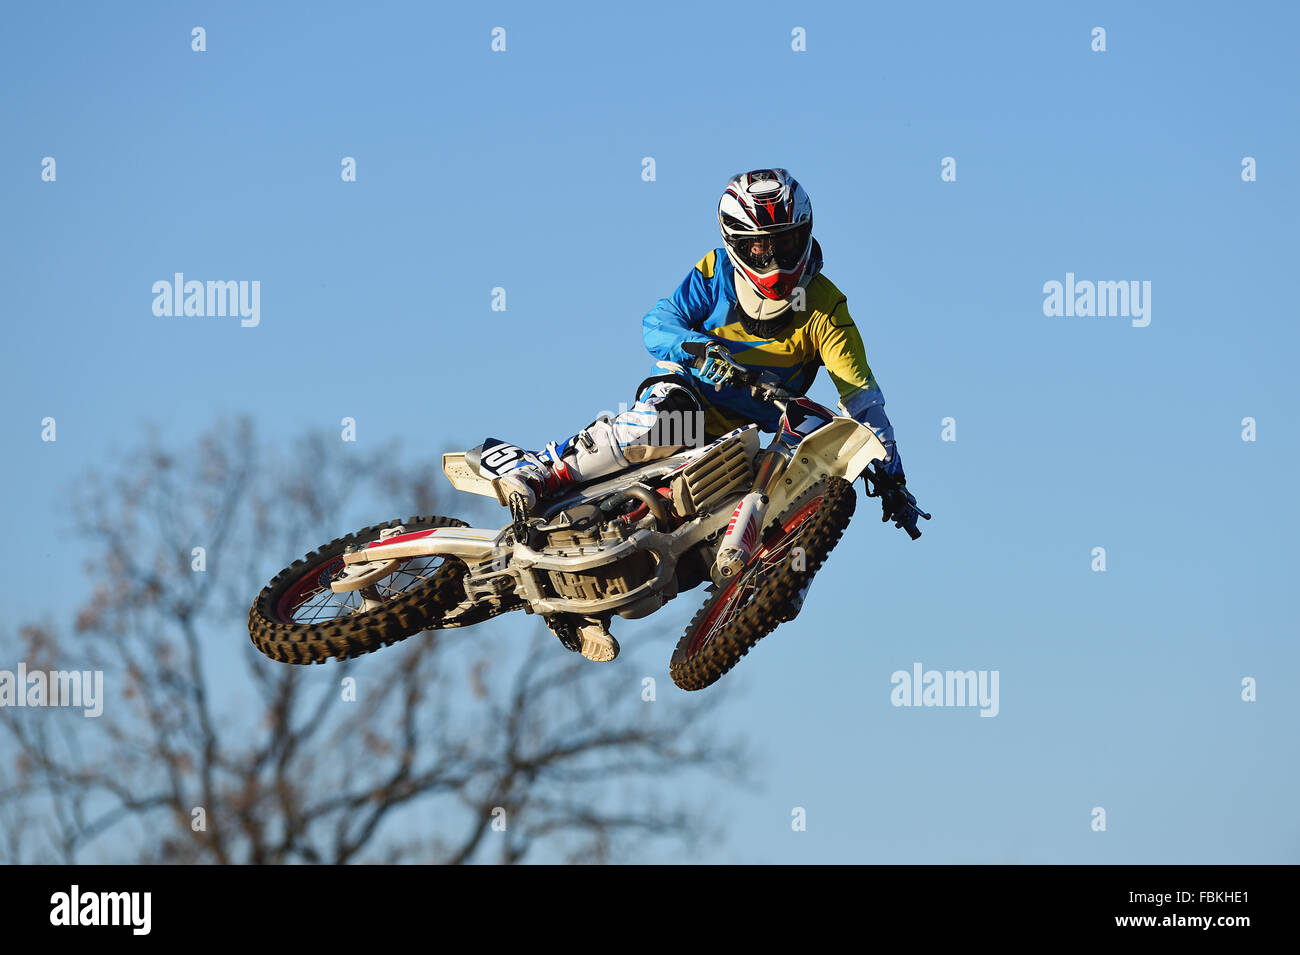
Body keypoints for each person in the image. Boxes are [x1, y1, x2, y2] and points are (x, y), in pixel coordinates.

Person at [488, 168, 919, 660]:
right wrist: (698, 350)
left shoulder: (826, 309)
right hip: (692, 398)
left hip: (752, 435)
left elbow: (863, 400)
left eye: (784, 241)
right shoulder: (715, 274)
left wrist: (892, 473)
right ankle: (544, 469)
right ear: (737, 243)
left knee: (813, 467)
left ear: (806, 234)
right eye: (760, 247)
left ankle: (774, 577)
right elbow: (658, 321)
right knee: (663, 420)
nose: (773, 258)